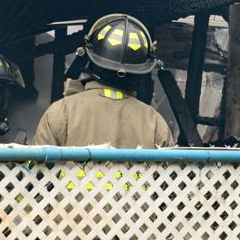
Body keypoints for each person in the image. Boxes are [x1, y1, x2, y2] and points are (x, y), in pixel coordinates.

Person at [32, 14, 175, 148]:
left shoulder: (60, 113)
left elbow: (34, 171)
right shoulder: (155, 124)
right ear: (142, 70)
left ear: (90, 58)